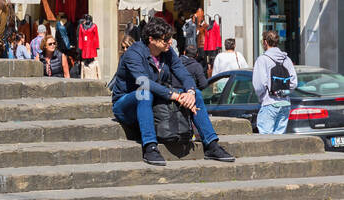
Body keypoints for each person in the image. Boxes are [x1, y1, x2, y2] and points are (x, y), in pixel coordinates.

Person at [110, 17, 235, 166]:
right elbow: (143, 82)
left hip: (154, 97)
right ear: (152, 40)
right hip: (125, 104)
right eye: (165, 39)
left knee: (197, 94)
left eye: (170, 38)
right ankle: (150, 146)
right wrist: (174, 95)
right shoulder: (133, 53)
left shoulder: (167, 52)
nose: (170, 42)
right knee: (144, 92)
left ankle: (212, 145)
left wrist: (190, 92)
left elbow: (183, 73)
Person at [252, 29, 298, 135]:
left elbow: (259, 85)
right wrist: (284, 93)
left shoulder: (262, 60)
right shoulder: (286, 59)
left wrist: (261, 97)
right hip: (285, 104)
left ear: (265, 42)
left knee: (266, 138)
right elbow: (294, 83)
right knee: (280, 139)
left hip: (269, 103)